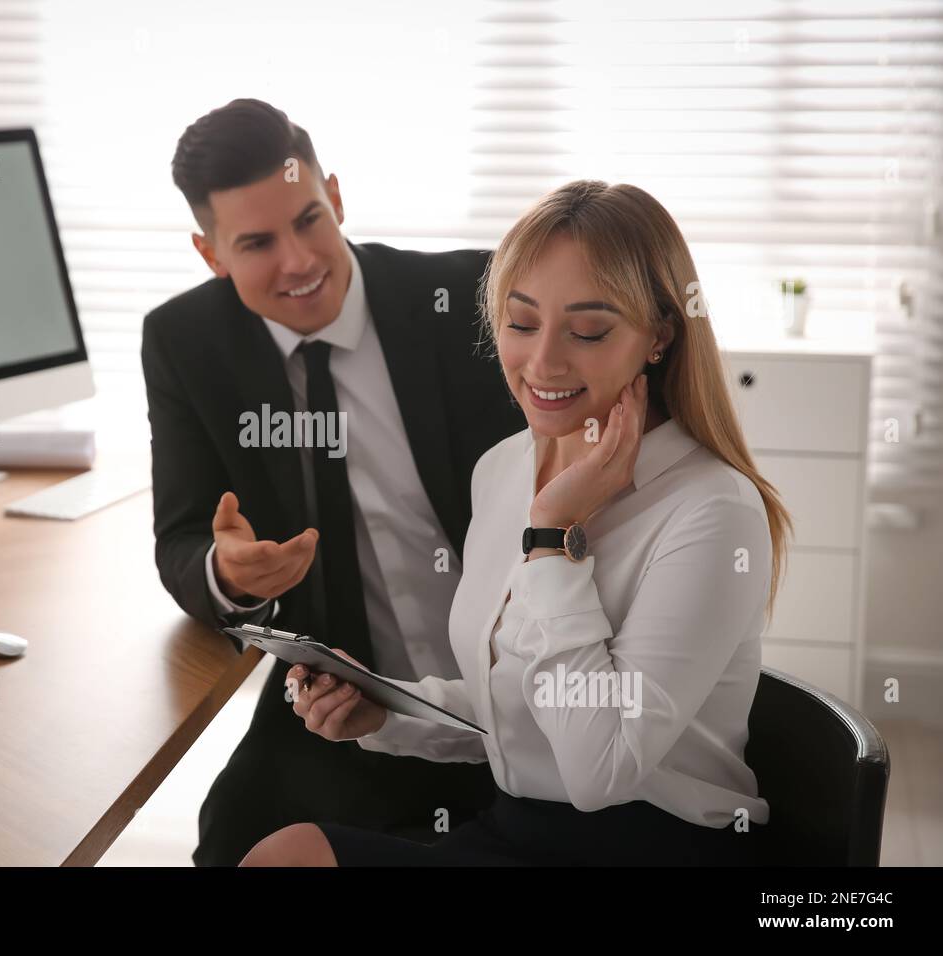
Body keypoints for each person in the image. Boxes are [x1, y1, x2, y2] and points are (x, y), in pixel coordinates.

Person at [243, 179, 794, 866]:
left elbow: (599, 770)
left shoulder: (712, 511)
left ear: (658, 335)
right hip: (516, 830)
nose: (542, 363)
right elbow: (514, 711)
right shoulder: (503, 468)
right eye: (521, 322)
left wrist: (552, 539)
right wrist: (385, 713)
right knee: (286, 852)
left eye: (588, 330)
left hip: (653, 844)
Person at [141, 98, 526, 866]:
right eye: (256, 242)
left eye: (310, 220)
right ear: (209, 252)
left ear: (338, 197)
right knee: (230, 839)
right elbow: (181, 537)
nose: (299, 260)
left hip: (511, 695)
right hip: (338, 708)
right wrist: (229, 574)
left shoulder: (466, 298)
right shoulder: (184, 342)